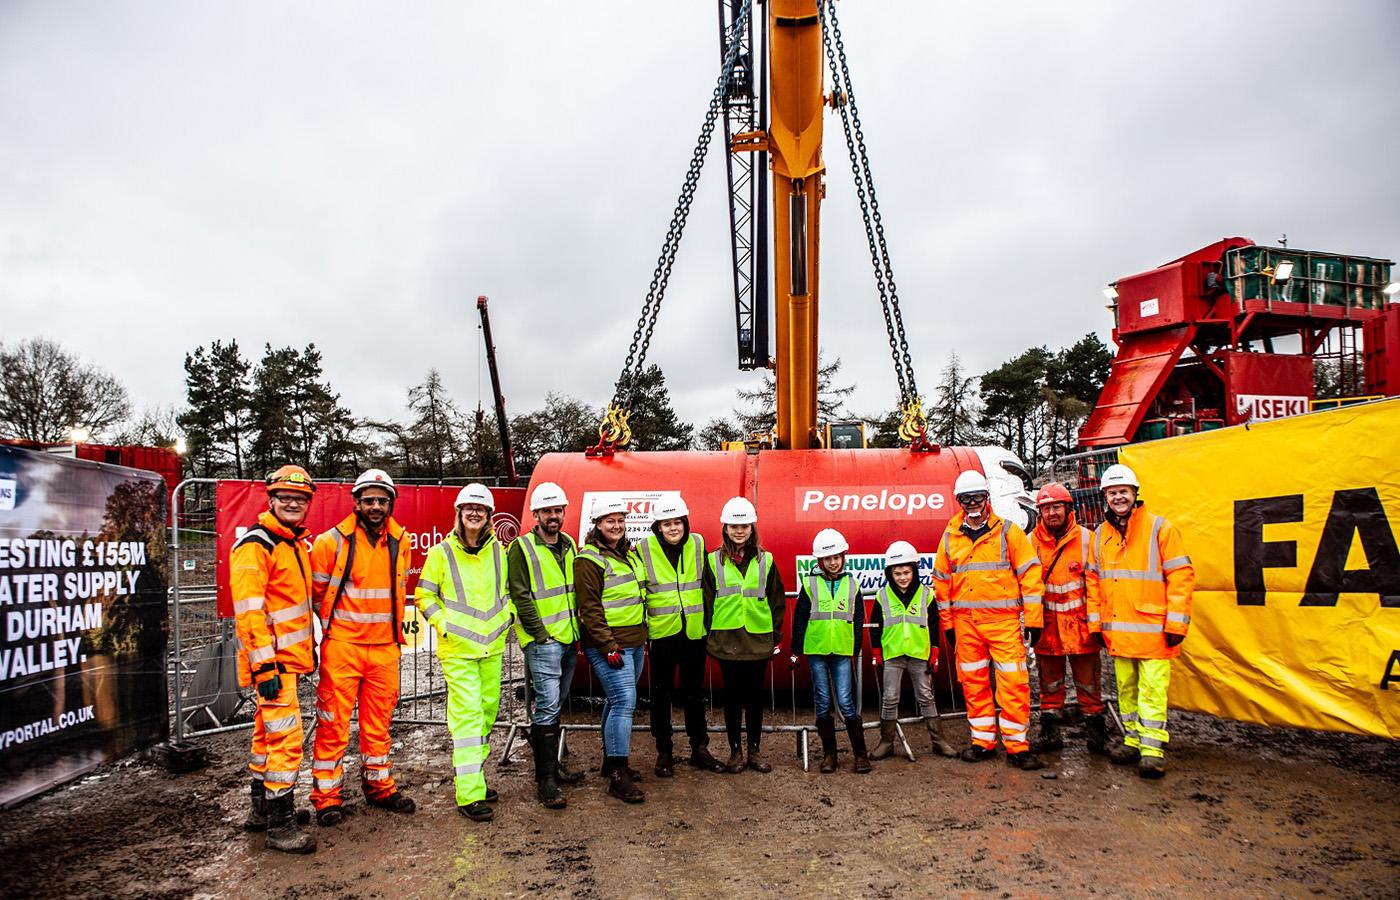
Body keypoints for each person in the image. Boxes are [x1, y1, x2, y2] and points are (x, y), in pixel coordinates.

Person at [308, 468, 415, 826]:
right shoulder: (330, 543)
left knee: (378, 724)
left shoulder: (401, 541)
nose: (375, 506)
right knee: (333, 724)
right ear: (356, 502)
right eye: (368, 500)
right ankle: (326, 798)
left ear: (390, 505)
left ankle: (379, 786)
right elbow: (317, 594)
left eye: (381, 501)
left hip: (384, 649)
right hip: (343, 647)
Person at [1085, 463, 1194, 779]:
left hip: (1155, 632)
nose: (1118, 497)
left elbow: (1181, 577)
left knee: (1151, 692)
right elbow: (1093, 581)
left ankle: (1152, 750)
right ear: (1105, 496)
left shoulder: (1161, 529)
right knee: (1126, 690)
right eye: (1112, 492)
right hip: (1118, 631)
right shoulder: (1100, 535)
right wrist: (1096, 625)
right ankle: (1132, 740)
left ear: (1135, 494)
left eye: (1123, 491)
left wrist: (1176, 623)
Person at [231, 464, 319, 854]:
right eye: (285, 497)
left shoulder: (293, 544)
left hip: (287, 660)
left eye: (299, 499)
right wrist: (263, 665)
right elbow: (249, 612)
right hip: (273, 664)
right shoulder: (257, 546)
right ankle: (280, 825)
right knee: (286, 739)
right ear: (271, 500)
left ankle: (262, 810)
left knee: (266, 736)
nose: (293, 504)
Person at [934, 470, 1047, 770]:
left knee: (1013, 682)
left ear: (987, 499)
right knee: (973, 683)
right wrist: (948, 625)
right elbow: (941, 584)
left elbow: (1031, 575)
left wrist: (1033, 619)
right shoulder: (950, 537)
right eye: (965, 499)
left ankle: (1017, 745)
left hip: (1003, 623)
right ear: (959, 501)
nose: (972, 504)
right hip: (966, 624)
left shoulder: (1008, 532)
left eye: (977, 498)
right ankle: (982, 741)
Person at [416, 483, 512, 822]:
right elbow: (425, 596)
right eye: (469, 508)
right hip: (458, 650)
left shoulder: (499, 551)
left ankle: (477, 777)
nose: (475, 513)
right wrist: (444, 625)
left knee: (486, 714)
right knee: (469, 718)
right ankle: (468, 794)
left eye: (481, 509)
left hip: (492, 647)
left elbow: (508, 591)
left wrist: (509, 615)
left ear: (488, 516)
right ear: (459, 513)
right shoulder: (441, 553)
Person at [635, 495, 724, 777]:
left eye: (677, 522)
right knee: (660, 695)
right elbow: (639, 590)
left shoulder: (698, 544)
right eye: (666, 523)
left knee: (694, 694)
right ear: (658, 527)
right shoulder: (644, 549)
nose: (673, 528)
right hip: (662, 633)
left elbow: (708, 585)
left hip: (693, 632)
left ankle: (700, 748)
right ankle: (664, 751)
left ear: (685, 523)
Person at [508, 481, 582, 809]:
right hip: (544, 642)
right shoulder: (521, 548)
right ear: (536, 514)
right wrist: (539, 634)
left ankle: (553, 767)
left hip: (567, 638)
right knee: (548, 706)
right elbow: (520, 593)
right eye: (547, 511)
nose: (553, 516)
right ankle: (546, 780)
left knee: (558, 702)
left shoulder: (568, 543)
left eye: (558, 510)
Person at [703, 496, 785, 774]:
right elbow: (706, 600)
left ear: (752, 528)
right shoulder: (713, 560)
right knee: (732, 697)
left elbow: (777, 600)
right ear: (725, 528)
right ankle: (735, 752)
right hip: (727, 640)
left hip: (757, 639)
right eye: (734, 526)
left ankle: (754, 751)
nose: (739, 531)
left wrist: (775, 635)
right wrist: (707, 636)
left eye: (745, 526)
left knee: (754, 698)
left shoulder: (766, 560)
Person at [575, 497, 648, 803]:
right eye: (609, 521)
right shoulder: (588, 559)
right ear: (597, 524)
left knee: (614, 700)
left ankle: (610, 762)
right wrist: (607, 646)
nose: (616, 526)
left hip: (634, 642)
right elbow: (590, 609)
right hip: (609, 645)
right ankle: (619, 775)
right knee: (624, 702)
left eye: (620, 520)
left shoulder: (628, 554)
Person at [1028, 482, 1108, 756]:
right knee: (1049, 685)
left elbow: (1098, 585)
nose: (1052, 513)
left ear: (1068, 508)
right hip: (1047, 628)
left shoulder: (1088, 540)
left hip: (1081, 627)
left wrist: (1097, 626)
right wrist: (1032, 623)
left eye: (1057, 507)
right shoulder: (1029, 544)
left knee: (1089, 684)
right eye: (1047, 508)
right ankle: (1051, 734)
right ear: (1040, 512)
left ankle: (1097, 737)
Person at [868, 540, 957, 761]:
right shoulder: (882, 596)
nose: (902, 577)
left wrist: (934, 653)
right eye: (897, 573)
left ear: (914, 571)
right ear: (890, 573)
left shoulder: (926, 595)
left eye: (906, 572)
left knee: (926, 697)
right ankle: (886, 743)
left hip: (919, 655)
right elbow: (875, 628)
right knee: (889, 698)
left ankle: (939, 742)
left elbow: (934, 626)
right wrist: (877, 653)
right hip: (893, 656)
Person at [791, 528, 870, 775]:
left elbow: (857, 621)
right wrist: (795, 650)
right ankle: (830, 756)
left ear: (843, 557)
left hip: (841, 654)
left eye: (837, 557)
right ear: (819, 561)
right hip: (817, 651)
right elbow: (800, 619)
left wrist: (854, 650)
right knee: (823, 702)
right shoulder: (810, 584)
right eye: (828, 558)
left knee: (846, 703)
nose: (833, 562)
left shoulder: (852, 584)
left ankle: (860, 755)